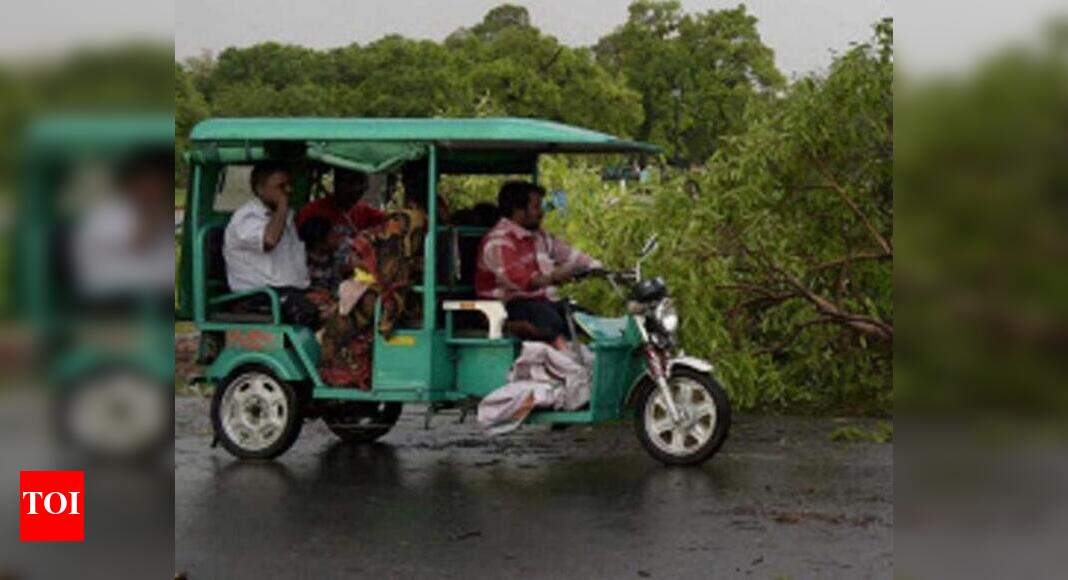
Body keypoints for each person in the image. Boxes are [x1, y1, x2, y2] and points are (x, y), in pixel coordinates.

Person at [475, 181, 602, 350]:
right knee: (549, 321)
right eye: (536, 207)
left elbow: (571, 255)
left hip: (541, 302)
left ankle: (594, 361)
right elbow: (516, 280)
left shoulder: (540, 237)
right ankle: (568, 362)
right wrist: (553, 278)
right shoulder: (500, 241)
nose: (541, 213)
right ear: (519, 210)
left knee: (585, 319)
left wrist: (597, 267)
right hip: (506, 304)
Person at [223, 161, 320, 328]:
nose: (288, 191)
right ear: (260, 188)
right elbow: (269, 240)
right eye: (281, 186)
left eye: (290, 185)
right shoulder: (246, 218)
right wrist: (282, 203)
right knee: (307, 312)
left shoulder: (284, 216)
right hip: (258, 295)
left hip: (287, 291)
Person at [296, 168, 387, 232]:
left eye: (362, 183)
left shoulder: (364, 213)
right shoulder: (311, 212)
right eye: (351, 182)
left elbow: (391, 221)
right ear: (337, 183)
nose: (357, 188)